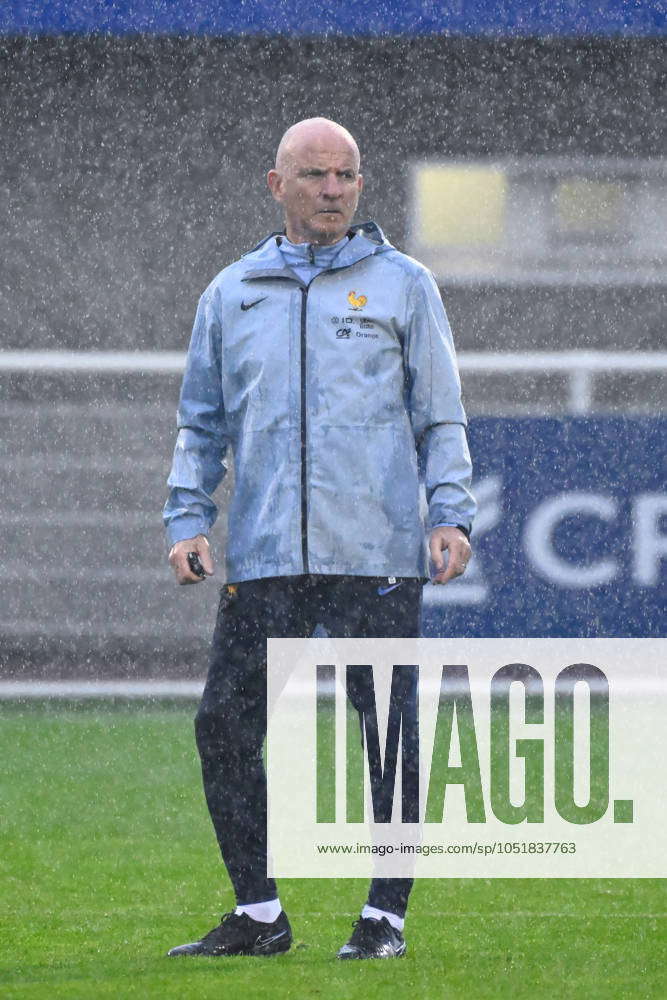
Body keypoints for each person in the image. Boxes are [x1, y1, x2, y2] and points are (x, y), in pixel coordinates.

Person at [163, 117, 475, 960]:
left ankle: (384, 918)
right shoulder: (232, 292)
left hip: (374, 556)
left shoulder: (405, 285)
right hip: (266, 555)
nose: (333, 189)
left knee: (388, 735)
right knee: (223, 728)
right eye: (314, 174)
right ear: (277, 185)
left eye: (346, 175)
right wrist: (187, 518)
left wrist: (450, 511)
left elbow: (439, 412)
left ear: (360, 184)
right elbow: (201, 422)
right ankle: (259, 914)